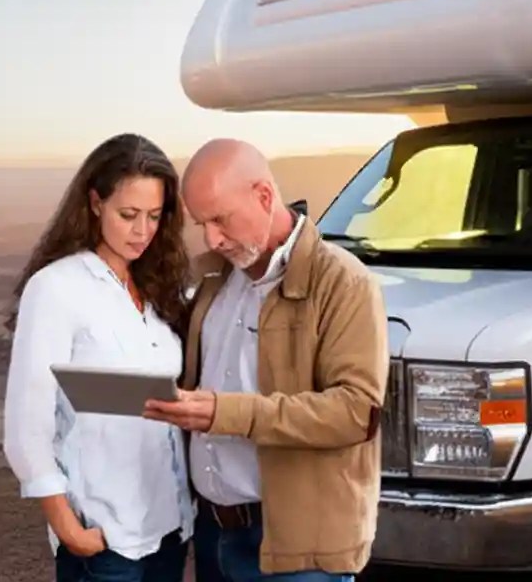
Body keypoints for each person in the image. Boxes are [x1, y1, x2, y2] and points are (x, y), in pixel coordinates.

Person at [144, 138, 388, 582]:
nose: (212, 238)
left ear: (263, 195)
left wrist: (226, 411)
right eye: (201, 224)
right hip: (213, 535)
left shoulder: (345, 283)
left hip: (300, 550)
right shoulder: (214, 277)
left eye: (220, 219)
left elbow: (356, 413)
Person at [3, 133, 195, 582]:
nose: (142, 231)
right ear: (94, 203)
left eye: (153, 216)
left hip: (170, 530)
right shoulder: (56, 288)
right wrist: (69, 529)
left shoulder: (161, 287)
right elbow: (26, 427)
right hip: (104, 540)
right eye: (128, 215)